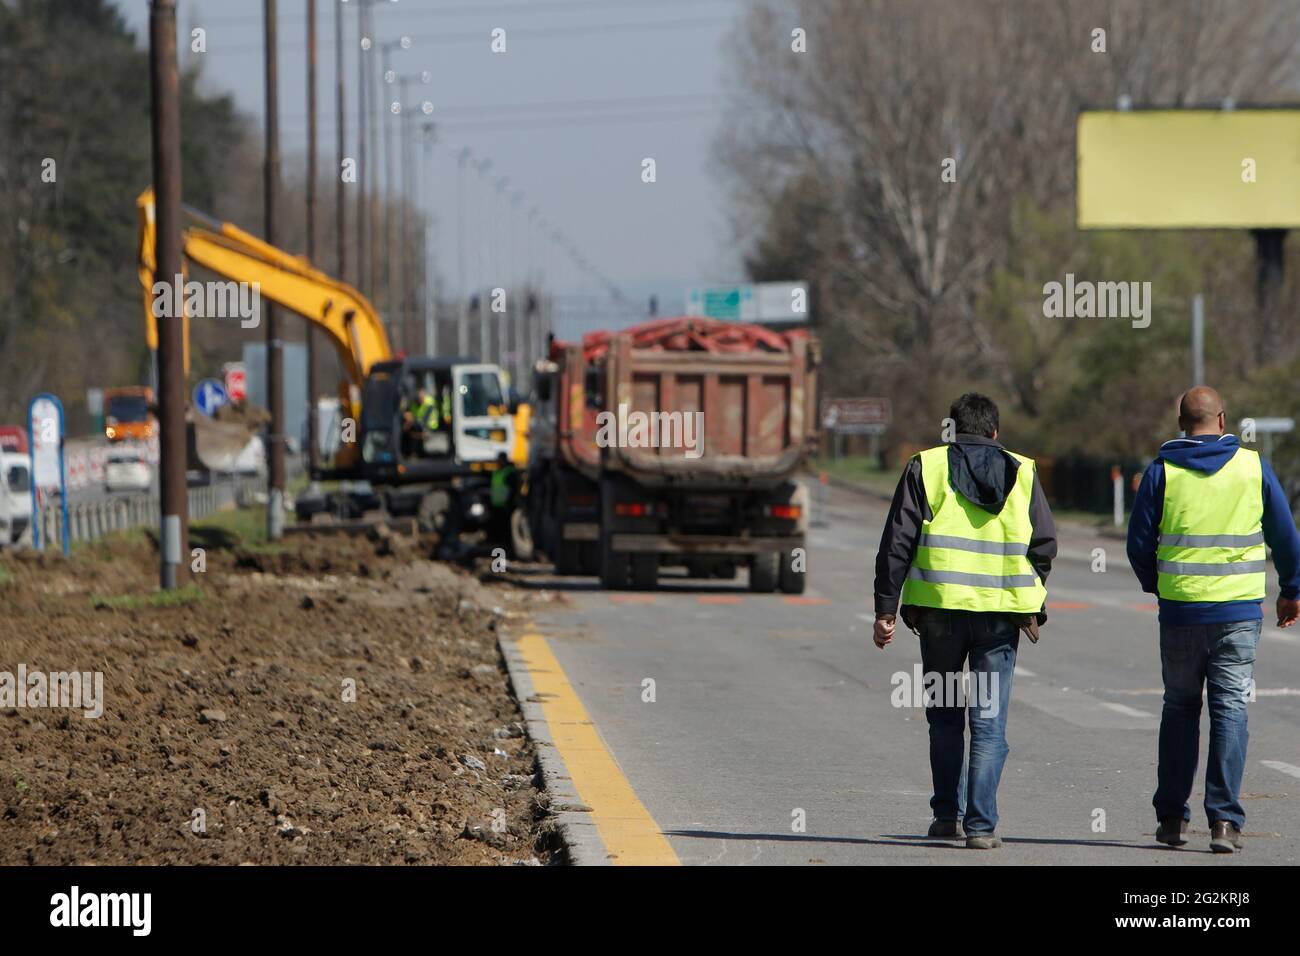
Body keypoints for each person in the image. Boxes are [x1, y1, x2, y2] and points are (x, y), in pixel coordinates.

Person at [873, 393, 1057, 849]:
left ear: (951, 430)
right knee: (989, 722)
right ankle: (981, 827)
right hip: (999, 618)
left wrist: (885, 609)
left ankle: (945, 816)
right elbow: (1045, 545)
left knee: (945, 718)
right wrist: (1029, 597)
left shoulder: (926, 467)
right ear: (995, 431)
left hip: (939, 615)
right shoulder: (1024, 471)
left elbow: (897, 541)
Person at [1126, 386, 1300, 853]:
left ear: (1182, 422)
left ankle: (1171, 821)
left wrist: (1159, 585)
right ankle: (1224, 823)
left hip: (1180, 613)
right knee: (1230, 711)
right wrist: (1291, 591)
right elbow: (1286, 537)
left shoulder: (1162, 471)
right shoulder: (1252, 467)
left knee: (1180, 709)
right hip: (1239, 615)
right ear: (1222, 420)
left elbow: (1138, 544)